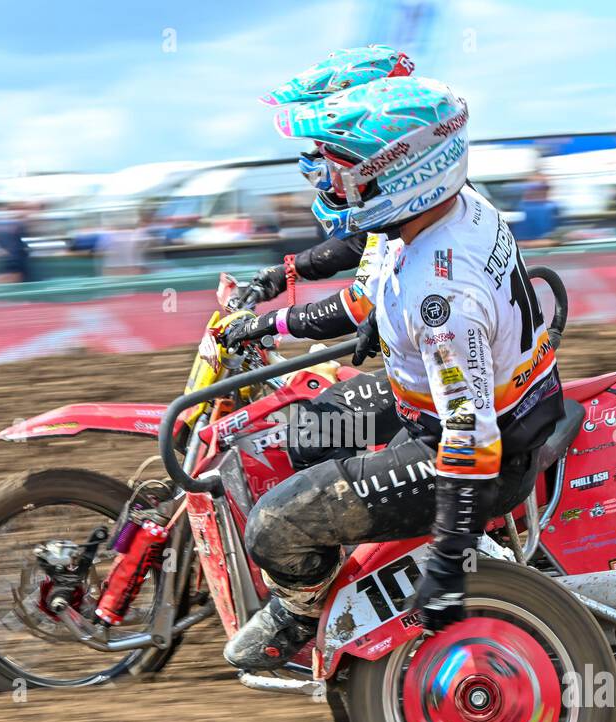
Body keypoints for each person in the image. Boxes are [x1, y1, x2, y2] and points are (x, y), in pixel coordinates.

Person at [224, 75, 565, 671]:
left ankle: (303, 613)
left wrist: (449, 562)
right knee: (304, 434)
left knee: (272, 527)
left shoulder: (440, 293)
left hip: (470, 450)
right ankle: (351, 568)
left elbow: (470, 438)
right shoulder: (452, 209)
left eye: (343, 167)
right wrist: (379, 322)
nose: (331, 181)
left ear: (402, 172)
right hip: (448, 404)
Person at [222, 45, 417, 467]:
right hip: (435, 372)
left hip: (443, 394)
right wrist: (285, 270)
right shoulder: (405, 196)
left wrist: (266, 325)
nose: (322, 163)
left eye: (327, 147)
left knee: (314, 431)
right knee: (322, 384)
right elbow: (359, 243)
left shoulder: (415, 203)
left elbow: (357, 305)